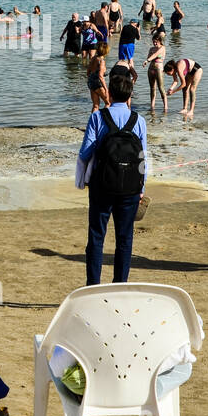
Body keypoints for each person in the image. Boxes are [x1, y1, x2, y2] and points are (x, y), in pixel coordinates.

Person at [76, 71, 148, 285]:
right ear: (130, 95)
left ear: (110, 93)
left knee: (96, 237)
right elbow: (143, 157)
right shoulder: (139, 121)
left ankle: (93, 286)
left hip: (102, 185)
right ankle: (120, 285)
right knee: (125, 239)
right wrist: (142, 187)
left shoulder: (98, 117)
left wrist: (82, 180)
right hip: (130, 189)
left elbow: (85, 153)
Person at [145, 30, 168, 112]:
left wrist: (147, 60)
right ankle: (152, 106)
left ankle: (165, 106)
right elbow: (149, 56)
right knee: (152, 88)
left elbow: (155, 55)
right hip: (151, 69)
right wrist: (146, 61)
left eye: (156, 42)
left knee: (161, 88)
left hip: (159, 68)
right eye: (153, 42)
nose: (154, 43)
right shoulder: (151, 48)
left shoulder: (162, 48)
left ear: (160, 41)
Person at [86, 42, 109, 110]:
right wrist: (106, 89)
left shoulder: (93, 58)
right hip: (98, 84)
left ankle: (93, 120)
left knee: (96, 105)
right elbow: (100, 76)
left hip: (91, 82)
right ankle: (105, 119)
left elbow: (88, 72)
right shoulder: (101, 61)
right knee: (108, 103)